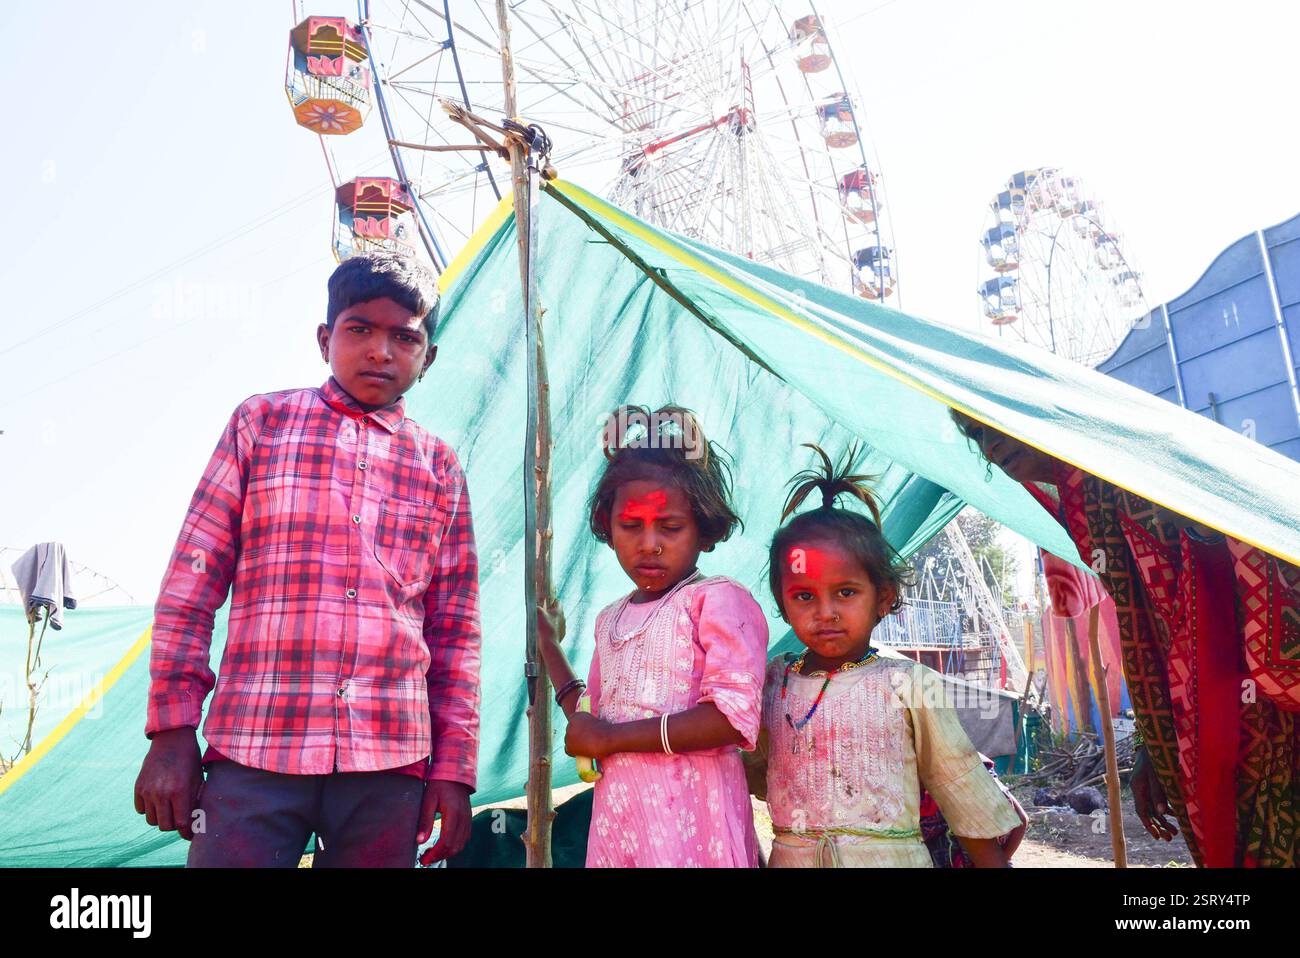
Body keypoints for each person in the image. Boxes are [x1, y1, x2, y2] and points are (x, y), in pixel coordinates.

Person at [133, 253, 481, 868]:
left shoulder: (440, 467)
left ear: (426, 357)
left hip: (389, 758)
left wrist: (453, 769)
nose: (381, 351)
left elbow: (455, 632)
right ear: (325, 340)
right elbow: (191, 589)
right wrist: (171, 731)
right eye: (359, 329)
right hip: (254, 747)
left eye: (405, 337)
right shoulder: (261, 424)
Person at [950, 407, 1299, 867]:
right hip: (1197, 706)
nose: (989, 446)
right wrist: (1153, 745)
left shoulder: (1132, 473)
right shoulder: (1087, 504)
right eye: (976, 436)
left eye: (993, 424)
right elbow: (1147, 625)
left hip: (1252, 704)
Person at [745, 444, 1022, 867]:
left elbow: (958, 785)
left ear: (884, 597)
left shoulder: (908, 683)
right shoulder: (772, 682)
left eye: (846, 592)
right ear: (782, 605)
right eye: (804, 596)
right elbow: (748, 770)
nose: (826, 612)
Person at [536, 404, 768, 867]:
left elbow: (730, 719)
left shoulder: (717, 601)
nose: (649, 544)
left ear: (704, 529)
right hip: (622, 825)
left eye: (670, 527)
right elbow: (593, 720)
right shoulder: (610, 619)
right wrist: (548, 646)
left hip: (694, 829)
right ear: (607, 525)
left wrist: (610, 740)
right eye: (630, 526)